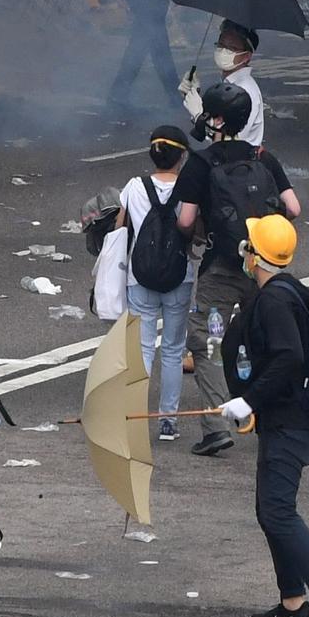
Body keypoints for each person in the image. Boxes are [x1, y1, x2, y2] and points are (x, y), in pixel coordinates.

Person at [217, 213, 309, 617]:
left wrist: (248, 400)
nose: (243, 251)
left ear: (254, 256)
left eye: (248, 246)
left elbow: (288, 358)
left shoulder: (275, 300)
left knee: (277, 511)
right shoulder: (277, 294)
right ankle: (292, 601)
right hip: (280, 418)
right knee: (268, 509)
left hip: (290, 420)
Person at [172, 81, 300, 456]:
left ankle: (215, 426)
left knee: (207, 343)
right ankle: (265, 411)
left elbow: (185, 219)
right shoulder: (263, 157)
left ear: (215, 119)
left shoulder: (201, 162)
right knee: (266, 338)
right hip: (264, 271)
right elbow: (293, 208)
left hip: (223, 270)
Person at [119, 126, 195, 444]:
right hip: (180, 275)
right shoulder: (189, 188)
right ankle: (167, 421)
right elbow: (194, 229)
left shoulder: (134, 187)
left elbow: (120, 226)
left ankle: (136, 418)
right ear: (181, 157)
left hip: (140, 274)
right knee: (174, 350)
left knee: (143, 348)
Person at [181, 20, 265, 144]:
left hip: (238, 161)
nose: (223, 51)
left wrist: (199, 116)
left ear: (247, 56)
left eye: (232, 48)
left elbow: (230, 141)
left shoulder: (246, 92)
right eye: (221, 45)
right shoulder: (228, 83)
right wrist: (193, 94)